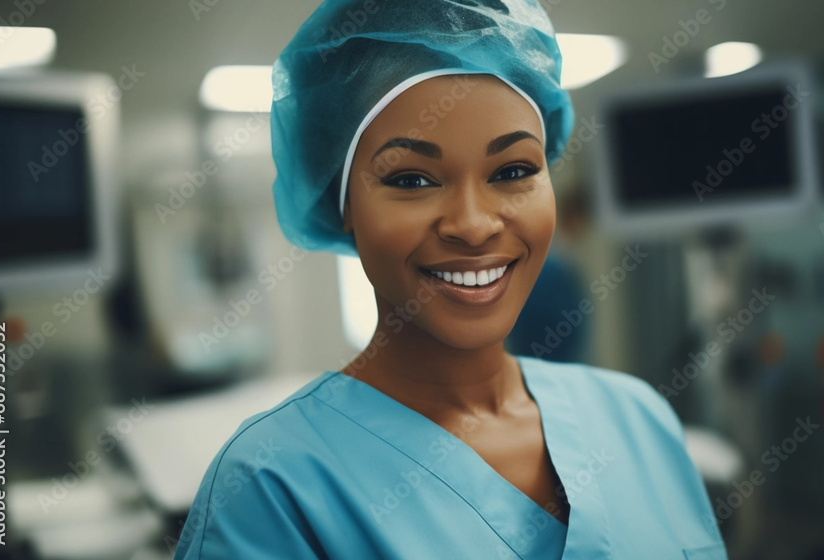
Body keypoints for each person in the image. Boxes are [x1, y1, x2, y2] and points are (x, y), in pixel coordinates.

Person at [173, 1, 727, 558]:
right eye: (412, 179)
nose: (473, 225)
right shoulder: (271, 489)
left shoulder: (636, 420)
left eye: (513, 171)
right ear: (341, 202)